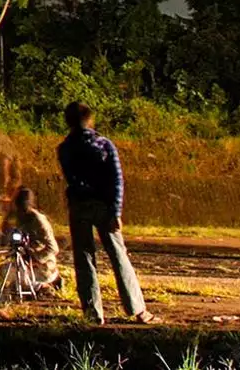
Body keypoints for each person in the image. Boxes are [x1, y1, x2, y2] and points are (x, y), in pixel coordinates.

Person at [57, 101, 155, 324]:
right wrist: (116, 210)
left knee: (84, 259)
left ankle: (93, 314)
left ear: (68, 122)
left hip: (79, 206)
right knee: (118, 255)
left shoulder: (65, 149)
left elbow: (72, 179)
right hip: (103, 205)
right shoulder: (103, 145)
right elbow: (117, 179)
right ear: (90, 120)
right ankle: (137, 309)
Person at [3, 187, 61, 291]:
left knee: (25, 279)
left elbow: (53, 248)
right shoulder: (18, 217)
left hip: (41, 264)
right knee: (3, 270)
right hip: (24, 261)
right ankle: (35, 285)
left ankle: (46, 284)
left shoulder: (39, 220)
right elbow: (6, 232)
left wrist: (36, 258)